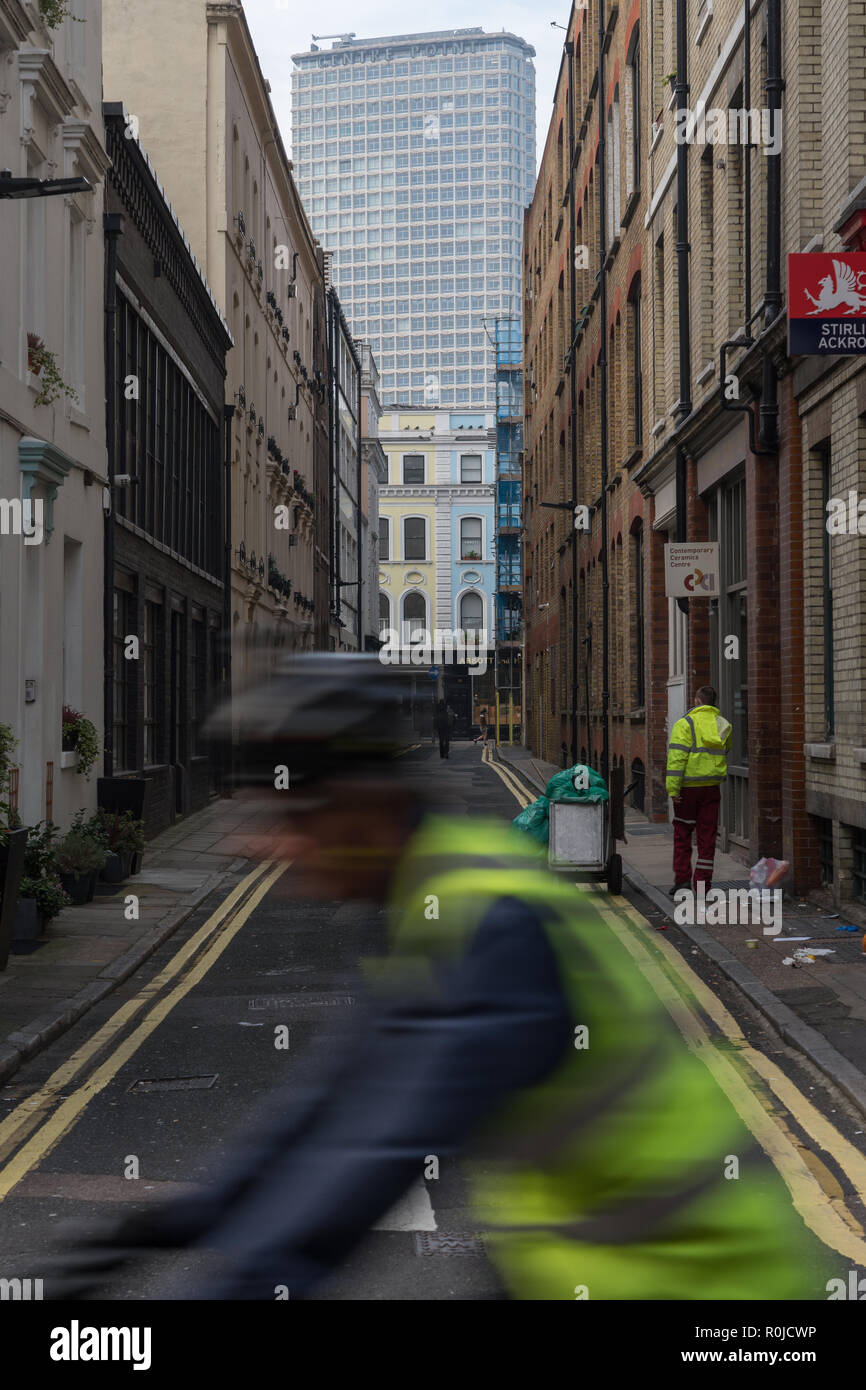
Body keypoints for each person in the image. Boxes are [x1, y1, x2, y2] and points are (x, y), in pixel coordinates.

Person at [49, 656, 814, 1301]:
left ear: (358, 809)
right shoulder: (438, 890)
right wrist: (169, 1222)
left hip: (704, 1290)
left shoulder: (489, 923)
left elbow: (366, 1171)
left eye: (288, 815)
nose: (260, 844)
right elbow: (334, 1100)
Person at [665, 684, 731, 895]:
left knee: (682, 833)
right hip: (711, 788)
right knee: (707, 836)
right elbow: (725, 750)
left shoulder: (685, 724)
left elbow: (677, 758)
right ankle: (703, 886)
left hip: (688, 790)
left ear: (697, 701)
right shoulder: (723, 724)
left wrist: (673, 790)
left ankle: (682, 881)